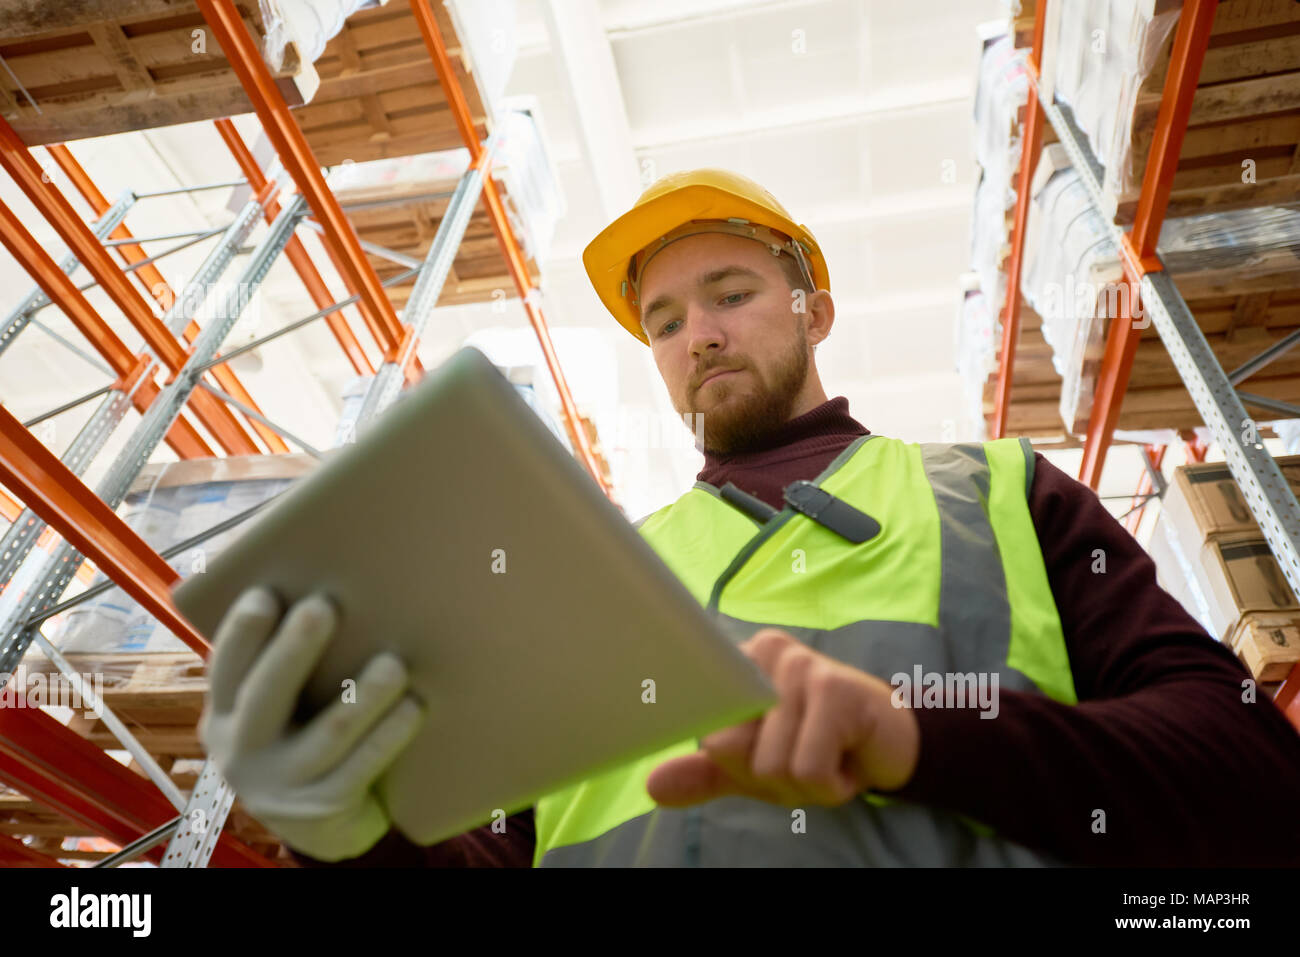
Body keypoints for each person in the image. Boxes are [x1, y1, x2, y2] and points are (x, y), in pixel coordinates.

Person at [202, 170, 1300, 867]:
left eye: (730, 294)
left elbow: (1249, 773)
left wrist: (917, 739)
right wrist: (356, 837)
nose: (698, 336)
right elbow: (508, 848)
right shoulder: (585, 570)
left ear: (812, 310)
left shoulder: (1000, 488)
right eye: (664, 320)